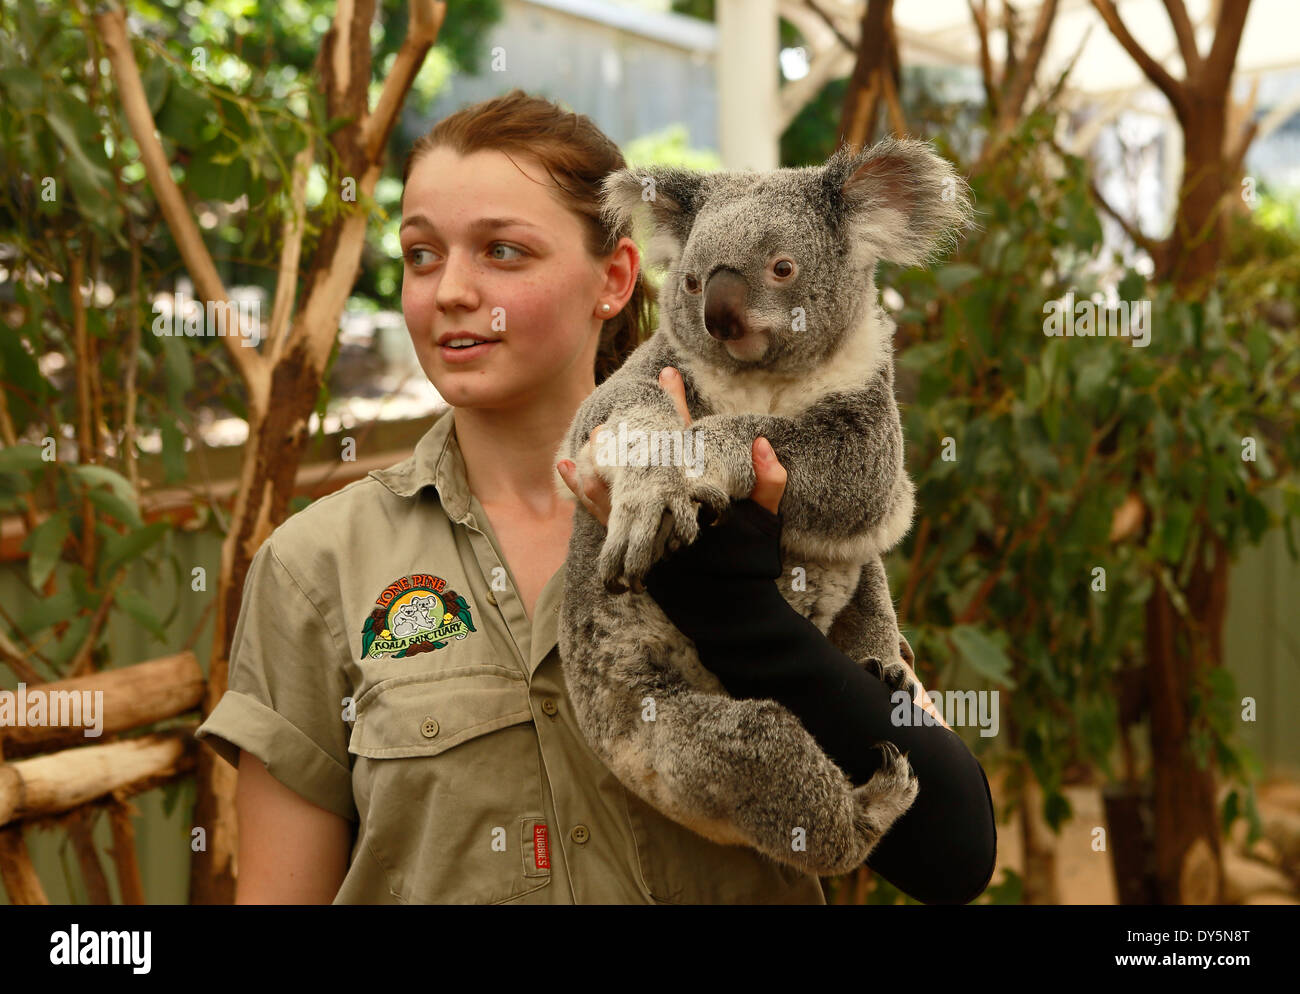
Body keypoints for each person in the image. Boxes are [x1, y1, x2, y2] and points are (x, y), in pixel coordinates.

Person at [195, 88, 995, 904]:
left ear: (614, 279)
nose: (452, 291)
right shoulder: (318, 567)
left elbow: (952, 851)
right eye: (422, 254)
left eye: (503, 251)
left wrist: (737, 606)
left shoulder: (773, 496)